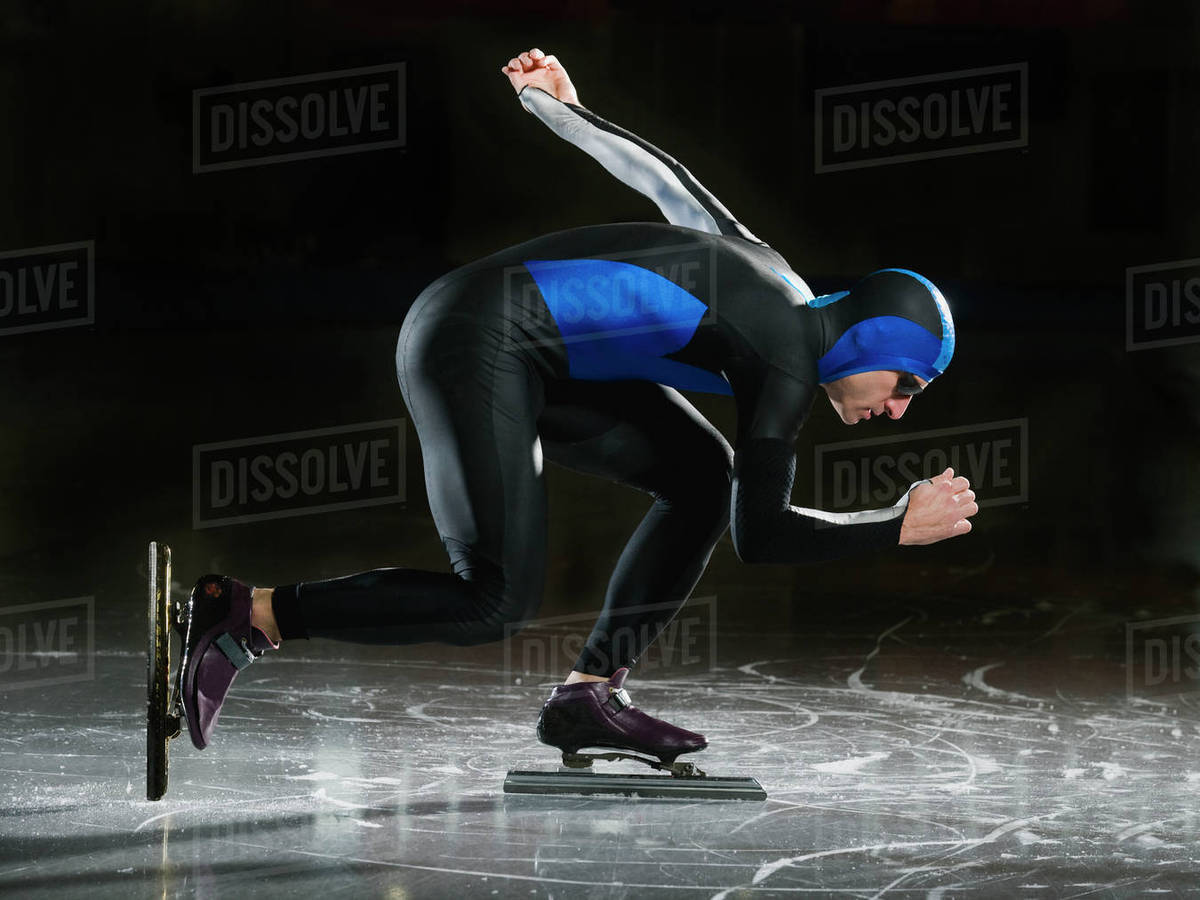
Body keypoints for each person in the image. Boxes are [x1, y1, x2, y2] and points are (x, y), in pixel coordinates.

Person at [172, 48, 978, 773]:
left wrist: (561, 110)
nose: (898, 410)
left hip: (529, 351)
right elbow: (760, 537)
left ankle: (587, 696)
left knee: (703, 476)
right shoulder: (786, 359)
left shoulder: (777, 279)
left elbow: (667, 182)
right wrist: (892, 525)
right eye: (907, 385)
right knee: (494, 601)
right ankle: (248, 613)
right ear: (871, 342)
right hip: (473, 340)